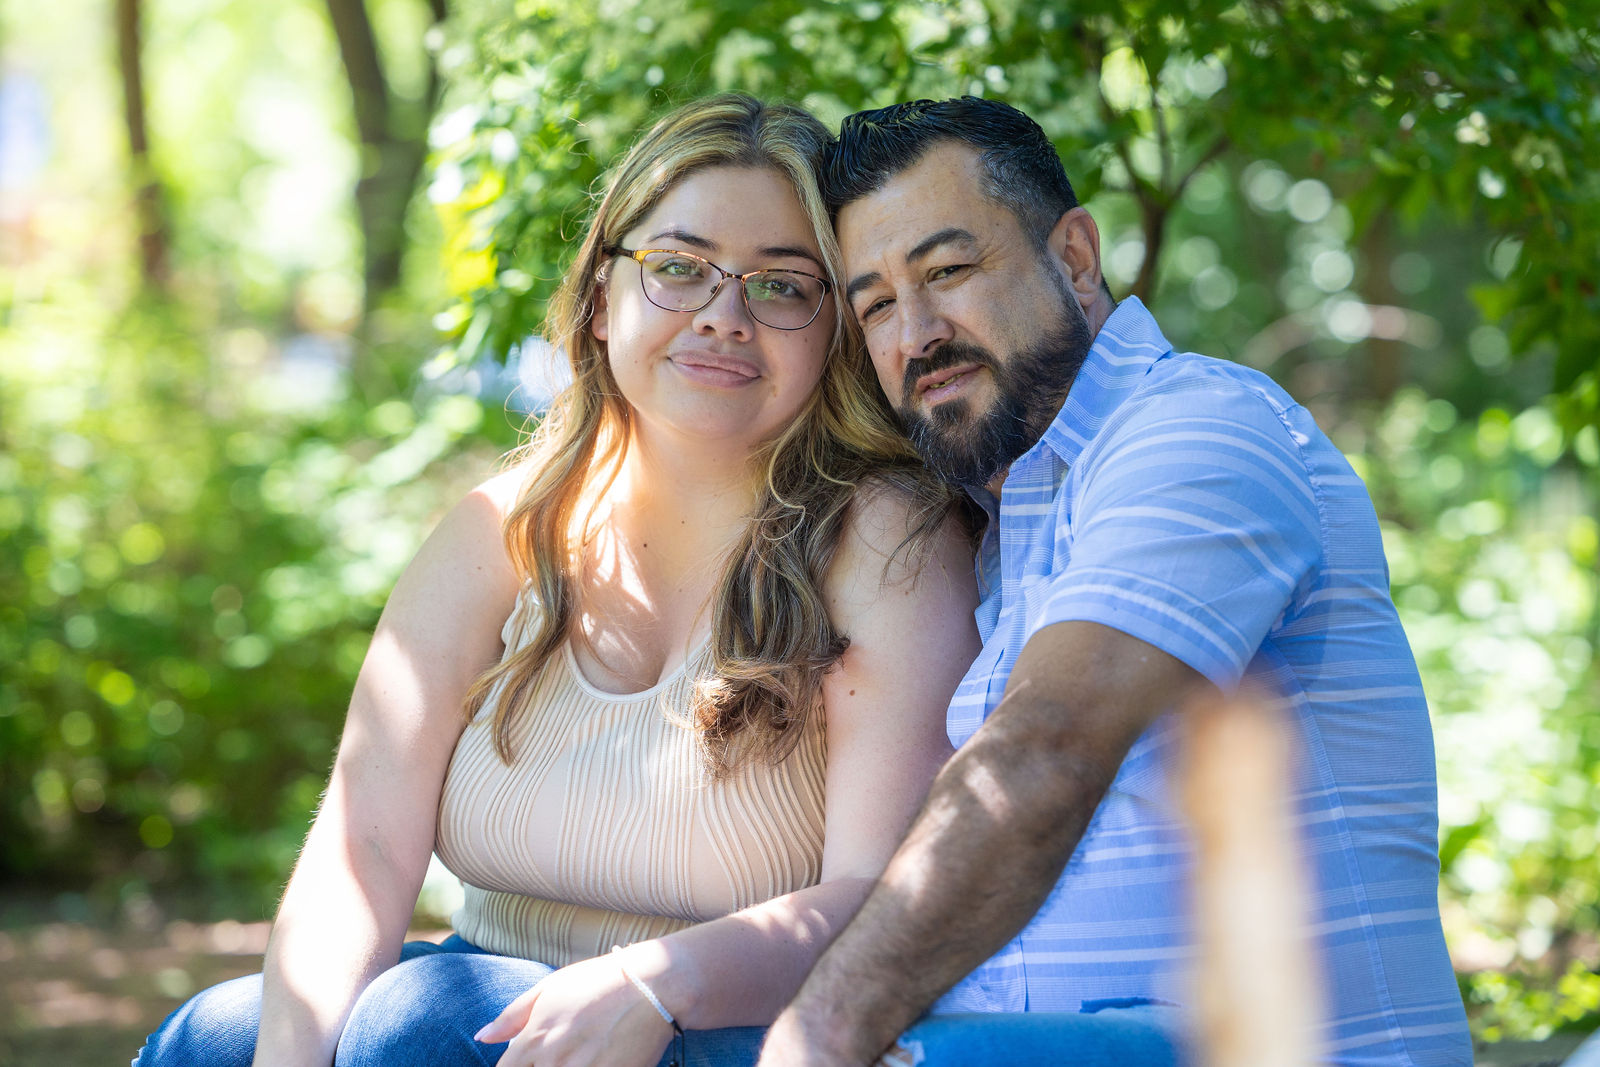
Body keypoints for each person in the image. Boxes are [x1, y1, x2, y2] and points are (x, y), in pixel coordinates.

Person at [133, 93, 982, 1067]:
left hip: (726, 1023)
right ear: (600, 294)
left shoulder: (882, 539)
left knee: (418, 1019)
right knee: (214, 1037)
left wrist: (653, 983)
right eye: (677, 268)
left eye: (781, 285)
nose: (723, 314)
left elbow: (879, 899)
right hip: (478, 1001)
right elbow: (359, 853)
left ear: (833, 326)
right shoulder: (500, 530)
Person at [756, 97, 1473, 1066]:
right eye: (876, 303)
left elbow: (1044, 754)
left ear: (1077, 256)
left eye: (948, 270)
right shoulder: (1019, 520)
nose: (915, 331)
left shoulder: (1198, 429)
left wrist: (823, 1029)